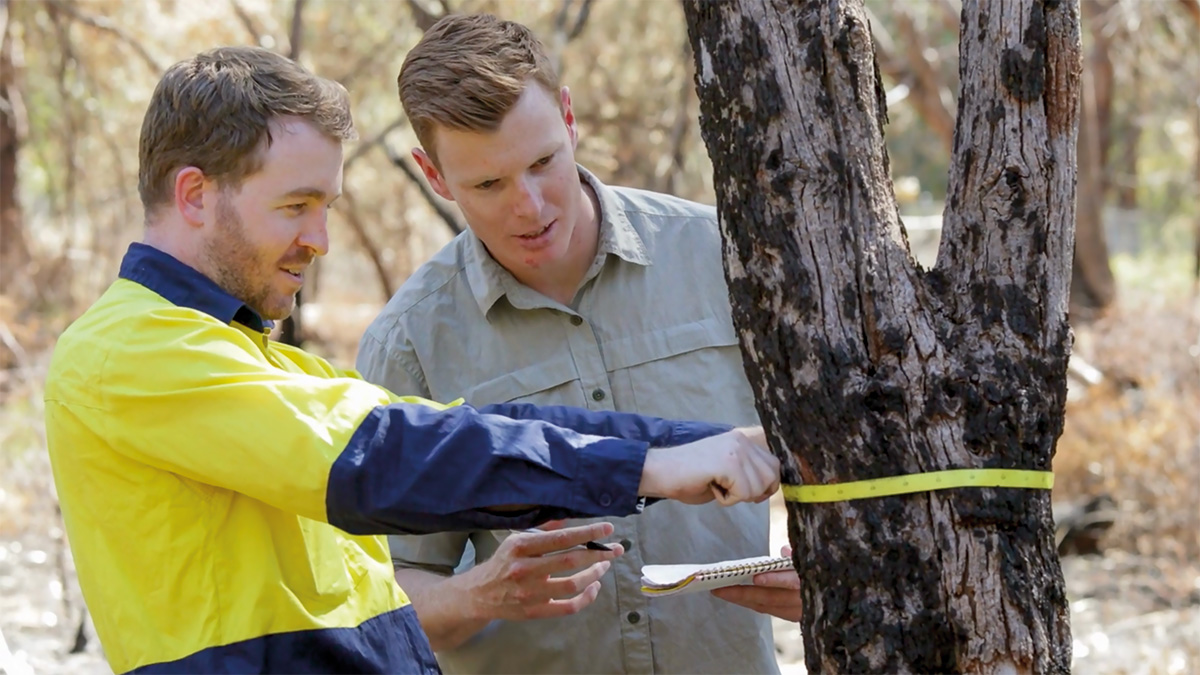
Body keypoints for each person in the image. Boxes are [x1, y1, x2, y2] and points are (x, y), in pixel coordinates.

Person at [41, 46, 783, 675]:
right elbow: (393, 455)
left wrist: (688, 448)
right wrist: (645, 469)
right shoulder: (130, 353)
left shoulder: (250, 357)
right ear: (196, 195)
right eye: (296, 205)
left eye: (326, 207)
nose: (322, 239)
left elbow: (475, 428)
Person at [356, 13, 802, 675]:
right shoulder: (408, 344)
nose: (531, 206)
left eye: (543, 162)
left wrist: (830, 575)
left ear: (568, 118)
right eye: (489, 184)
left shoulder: (724, 259)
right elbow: (378, 601)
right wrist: (480, 592)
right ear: (434, 175)